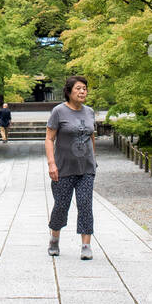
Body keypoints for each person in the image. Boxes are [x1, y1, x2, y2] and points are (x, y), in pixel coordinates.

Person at [46, 75, 97, 260]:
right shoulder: (58, 111)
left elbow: (91, 136)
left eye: (85, 88)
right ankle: (54, 239)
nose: (83, 91)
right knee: (61, 205)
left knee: (85, 205)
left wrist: (94, 159)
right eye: (78, 88)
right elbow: (49, 139)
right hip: (63, 167)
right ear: (69, 91)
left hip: (86, 168)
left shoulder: (90, 112)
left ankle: (86, 245)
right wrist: (52, 164)